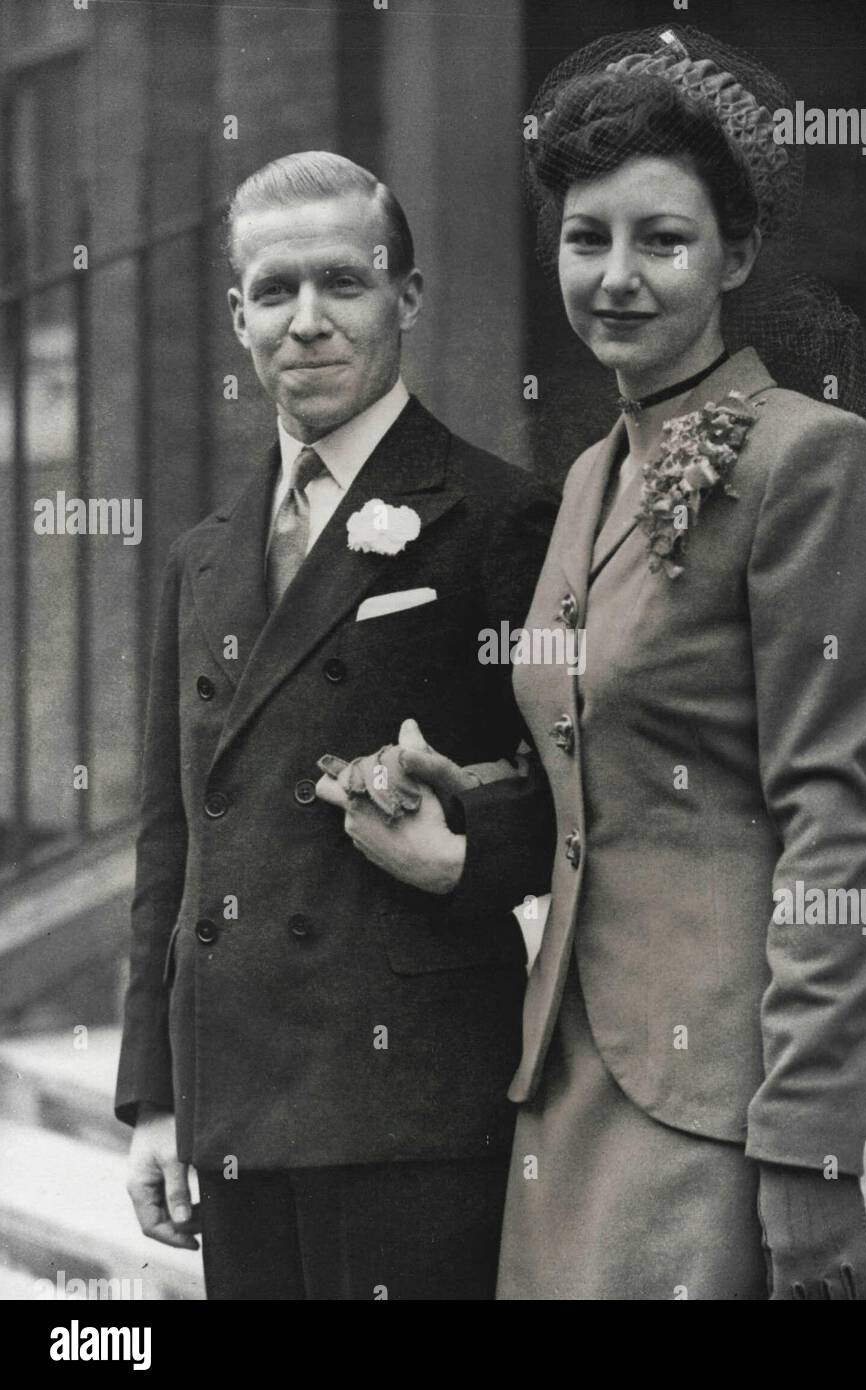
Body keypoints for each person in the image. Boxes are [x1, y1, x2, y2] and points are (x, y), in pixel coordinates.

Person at [334, 27, 866, 1300]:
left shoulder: (811, 461)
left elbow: (833, 824)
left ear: (732, 255)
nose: (615, 277)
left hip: (717, 1093)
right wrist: (467, 794)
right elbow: (614, 759)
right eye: (586, 238)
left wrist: (804, 1146)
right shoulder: (587, 478)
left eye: (660, 240)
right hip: (566, 1065)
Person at [114, 151, 556, 1300]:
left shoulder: (505, 516)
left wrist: (462, 849)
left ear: (403, 298)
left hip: (410, 1099)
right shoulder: (202, 555)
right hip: (240, 1101)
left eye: (341, 284)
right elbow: (170, 846)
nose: (305, 323)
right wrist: (156, 1097)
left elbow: (570, 785)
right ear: (238, 315)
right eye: (273, 292)